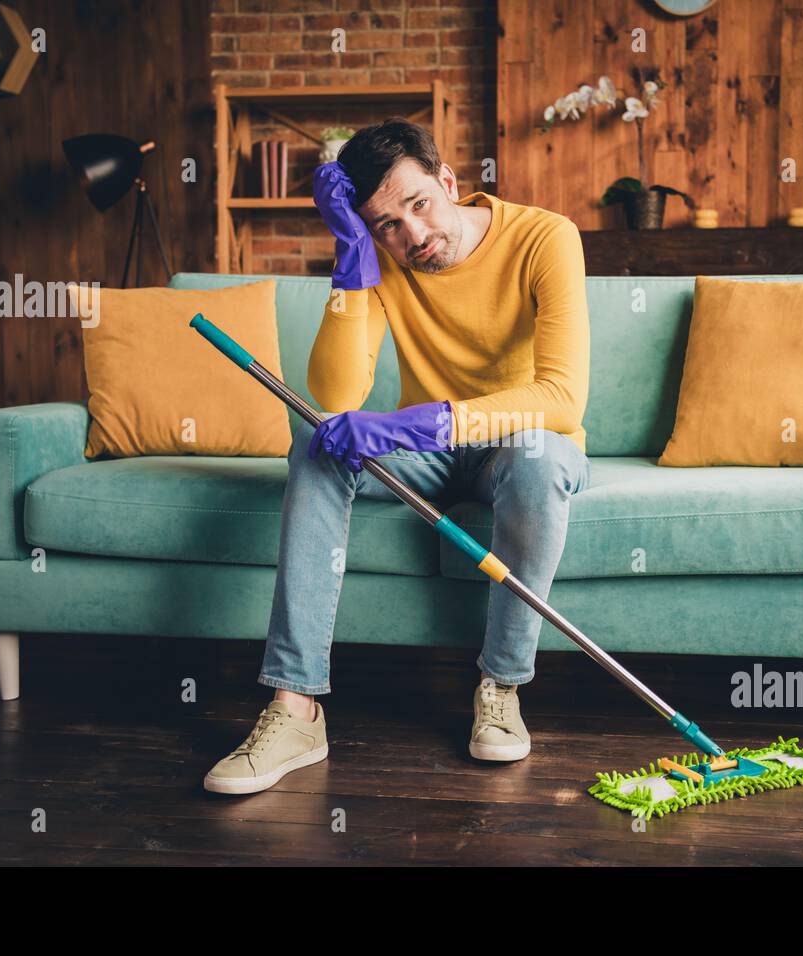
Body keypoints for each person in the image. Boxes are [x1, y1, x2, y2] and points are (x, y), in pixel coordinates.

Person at [204, 118, 591, 795]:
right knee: (318, 449)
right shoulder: (379, 258)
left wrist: (425, 424)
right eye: (385, 224)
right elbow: (335, 393)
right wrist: (352, 254)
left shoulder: (545, 237)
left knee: (541, 458)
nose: (412, 236)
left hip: (514, 444)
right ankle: (295, 710)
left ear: (448, 182)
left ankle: (499, 688)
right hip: (433, 457)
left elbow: (560, 398)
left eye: (419, 205)